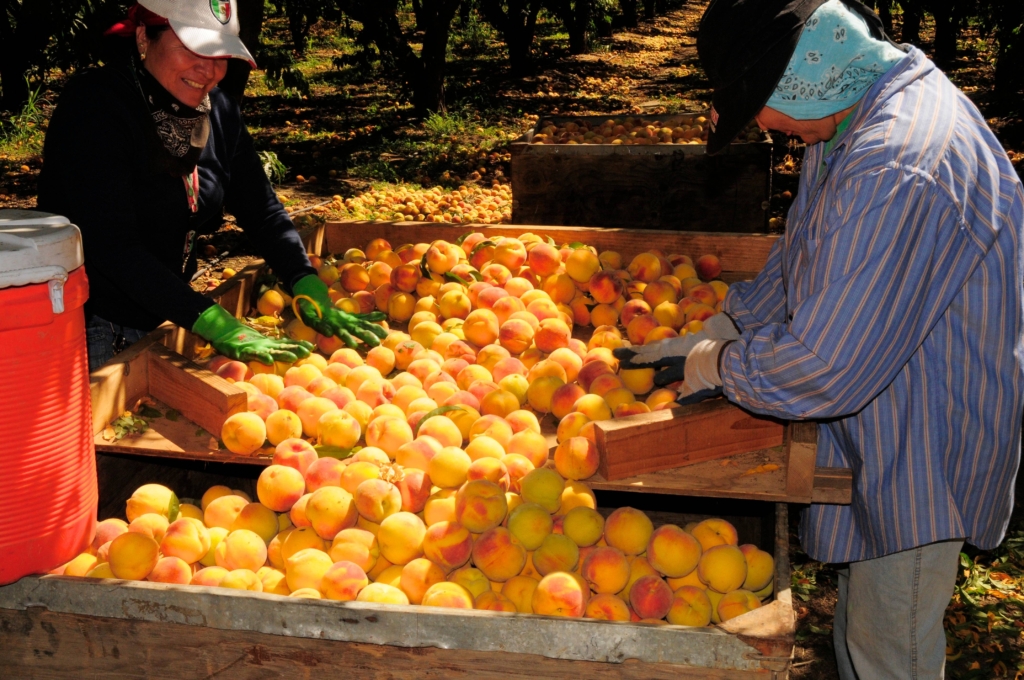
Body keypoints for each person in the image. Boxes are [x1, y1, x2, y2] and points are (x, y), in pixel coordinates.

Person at [617, 0, 1023, 677]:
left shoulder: (895, 162)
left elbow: (828, 369)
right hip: (889, 409)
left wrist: (719, 365)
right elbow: (811, 249)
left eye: (761, 108)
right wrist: (731, 323)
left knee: (890, 648)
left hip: (925, 436)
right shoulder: (852, 115)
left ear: (800, 79)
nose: (767, 127)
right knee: (862, 635)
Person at [38, 0, 385, 372]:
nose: (208, 70)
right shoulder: (98, 106)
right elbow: (111, 245)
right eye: (192, 49)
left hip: (168, 313)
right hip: (96, 323)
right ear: (143, 37)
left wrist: (303, 278)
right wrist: (209, 320)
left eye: (220, 54)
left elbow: (262, 211)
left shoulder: (216, 111)